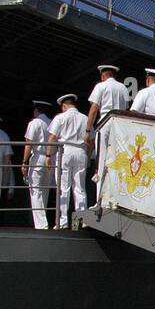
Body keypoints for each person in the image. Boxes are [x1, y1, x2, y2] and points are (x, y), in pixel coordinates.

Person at [47, 94, 88, 229]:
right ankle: (82, 219)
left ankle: (63, 222)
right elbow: (91, 139)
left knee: (64, 188)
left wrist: (48, 155)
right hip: (81, 151)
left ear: (64, 106)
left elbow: (52, 137)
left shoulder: (60, 117)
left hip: (65, 151)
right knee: (80, 187)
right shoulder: (85, 118)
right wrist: (88, 154)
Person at [86, 64, 131, 181]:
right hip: (120, 125)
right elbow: (126, 108)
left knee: (101, 159)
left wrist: (88, 130)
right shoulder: (123, 88)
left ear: (103, 75)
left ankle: (99, 196)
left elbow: (94, 108)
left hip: (104, 124)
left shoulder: (101, 86)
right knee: (117, 160)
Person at [22, 101, 54, 230]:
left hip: (38, 157)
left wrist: (24, 162)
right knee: (45, 192)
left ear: (36, 111)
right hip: (50, 159)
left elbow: (28, 143)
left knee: (35, 191)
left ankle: (41, 225)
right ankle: (43, 222)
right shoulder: (51, 122)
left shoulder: (34, 123)